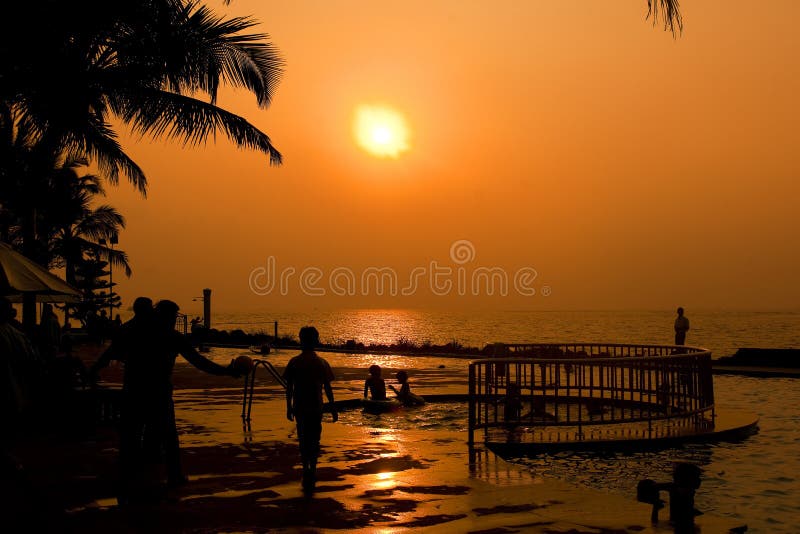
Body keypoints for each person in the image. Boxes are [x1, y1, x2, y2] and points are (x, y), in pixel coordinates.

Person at [91, 298, 241, 503]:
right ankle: (174, 476)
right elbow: (200, 362)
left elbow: (109, 353)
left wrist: (94, 369)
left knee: (130, 437)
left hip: (134, 391)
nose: (173, 321)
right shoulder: (171, 336)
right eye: (173, 317)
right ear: (166, 317)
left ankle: (128, 477)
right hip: (158, 393)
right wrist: (227, 371)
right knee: (168, 437)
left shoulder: (132, 332)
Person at [283, 326, 337, 493]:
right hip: (315, 407)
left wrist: (288, 407)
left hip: (300, 406)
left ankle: (306, 464)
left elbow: (289, 388)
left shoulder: (294, 362)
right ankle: (312, 465)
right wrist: (333, 408)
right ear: (316, 341)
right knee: (315, 437)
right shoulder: (321, 363)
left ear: (301, 340)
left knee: (303, 436)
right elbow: (328, 388)